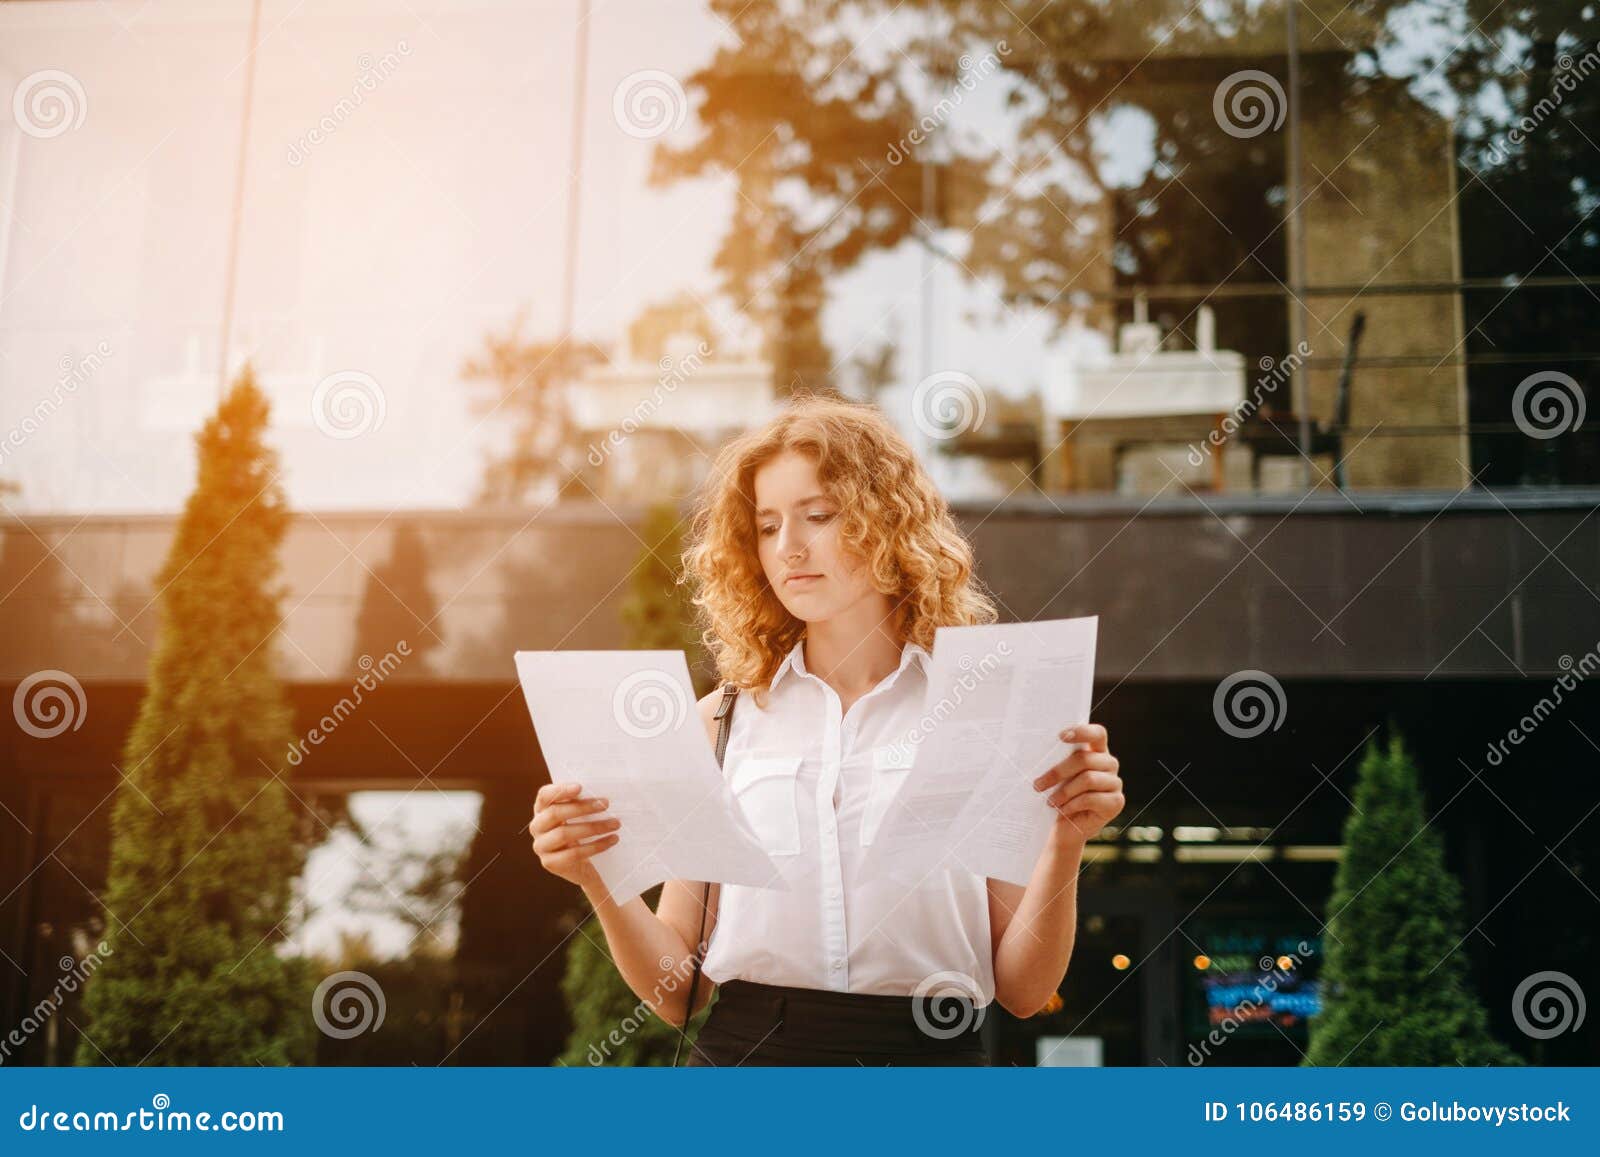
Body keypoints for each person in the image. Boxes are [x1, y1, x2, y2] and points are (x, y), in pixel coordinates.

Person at [528, 395, 1124, 1065]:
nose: (789, 547)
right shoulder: (721, 723)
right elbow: (678, 993)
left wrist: (1066, 840)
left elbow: (1023, 987)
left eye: (818, 515)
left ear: (888, 522)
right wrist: (597, 876)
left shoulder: (980, 712)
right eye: (766, 525)